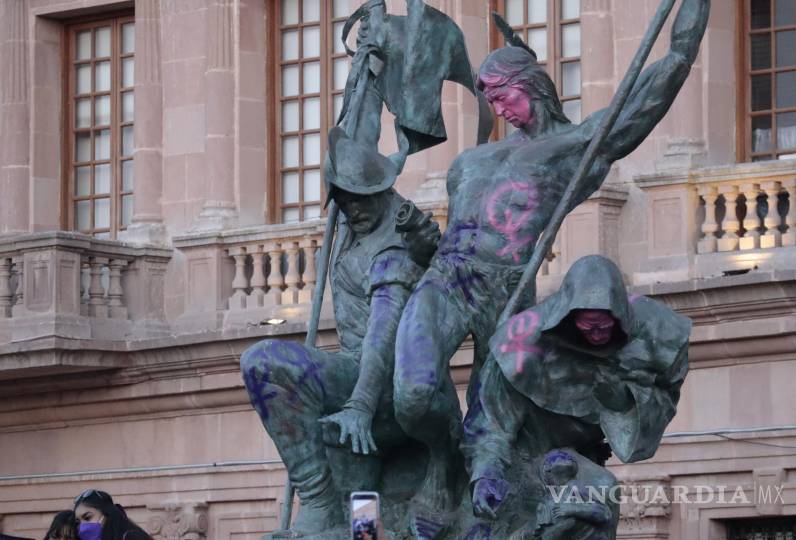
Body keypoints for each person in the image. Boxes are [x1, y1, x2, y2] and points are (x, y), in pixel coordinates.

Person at [392, 0, 709, 522]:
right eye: (489, 100)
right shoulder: (470, 163)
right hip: (446, 277)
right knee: (414, 392)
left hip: (505, 289)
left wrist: (690, 21)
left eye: (504, 95)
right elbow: (454, 235)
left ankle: (470, 483)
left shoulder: (577, 146)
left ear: (533, 85)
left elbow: (668, 70)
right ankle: (436, 467)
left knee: (491, 411)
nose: (499, 109)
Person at [240, 127, 438, 535]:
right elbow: (357, 137)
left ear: (382, 192)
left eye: (360, 200)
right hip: (355, 400)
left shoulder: (395, 246)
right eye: (343, 201)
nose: (352, 211)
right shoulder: (354, 215)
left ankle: (314, 495)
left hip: (384, 388)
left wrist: (360, 407)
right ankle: (330, 511)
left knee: (263, 361)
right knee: (358, 522)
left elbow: (383, 332)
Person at [462, 255, 691, 523]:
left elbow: (666, 398)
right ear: (568, 316)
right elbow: (489, 423)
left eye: (603, 325)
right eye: (587, 325)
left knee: (598, 496)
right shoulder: (521, 343)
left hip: (578, 459)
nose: (595, 334)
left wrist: (623, 401)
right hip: (520, 455)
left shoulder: (658, 332)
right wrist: (486, 474)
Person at [72, 489, 151, 540]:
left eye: (88, 517)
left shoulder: (131, 537)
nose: (82, 527)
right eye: (78, 522)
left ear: (106, 513)